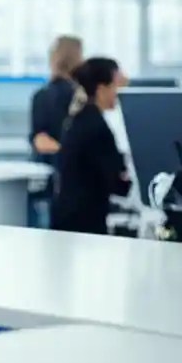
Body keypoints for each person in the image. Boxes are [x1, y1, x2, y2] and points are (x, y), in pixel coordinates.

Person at [53, 57, 131, 235]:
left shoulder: (79, 118)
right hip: (84, 222)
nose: (119, 93)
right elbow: (115, 181)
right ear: (102, 89)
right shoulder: (96, 126)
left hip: (69, 215)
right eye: (116, 86)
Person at [28, 35, 83, 227]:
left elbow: (40, 141)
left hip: (51, 181)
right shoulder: (82, 98)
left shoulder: (42, 96)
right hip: (70, 183)